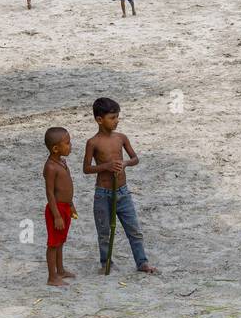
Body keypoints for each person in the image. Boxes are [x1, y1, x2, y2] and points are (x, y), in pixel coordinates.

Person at [83, 98, 157, 273]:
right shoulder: (93, 143)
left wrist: (125, 164)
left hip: (123, 192)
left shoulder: (121, 138)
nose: (116, 121)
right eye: (112, 118)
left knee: (134, 229)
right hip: (103, 193)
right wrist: (105, 167)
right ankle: (106, 263)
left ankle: (142, 262)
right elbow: (86, 168)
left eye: (117, 117)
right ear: (99, 120)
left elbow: (135, 158)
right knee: (104, 232)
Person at [42, 127, 77, 287]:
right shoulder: (50, 167)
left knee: (61, 241)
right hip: (55, 209)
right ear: (56, 148)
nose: (70, 146)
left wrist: (71, 205)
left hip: (65, 207)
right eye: (67, 143)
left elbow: (67, 187)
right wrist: (56, 215)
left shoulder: (62, 162)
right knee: (53, 244)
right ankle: (52, 277)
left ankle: (60, 270)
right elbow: (50, 193)